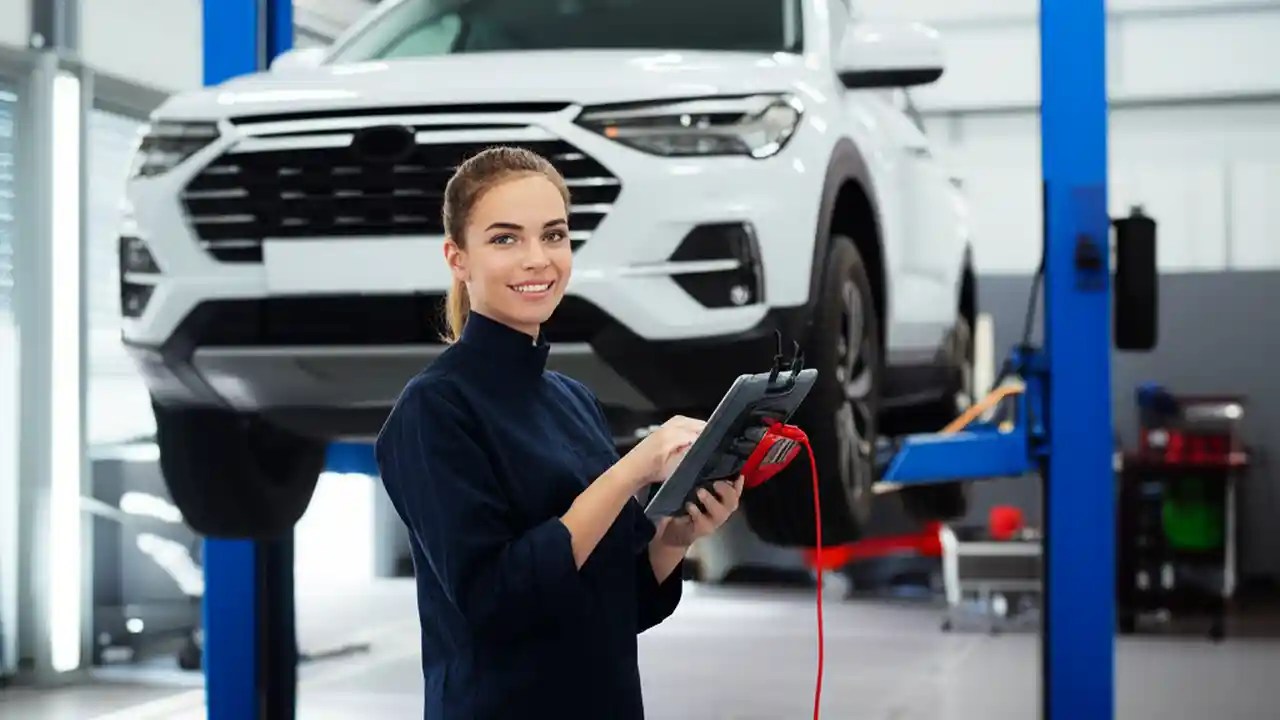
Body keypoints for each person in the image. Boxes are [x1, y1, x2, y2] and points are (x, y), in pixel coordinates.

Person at [374, 146, 746, 719]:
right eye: (505, 239)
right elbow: (494, 601)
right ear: (458, 259)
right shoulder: (434, 410)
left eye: (553, 235)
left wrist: (675, 537)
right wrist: (631, 472)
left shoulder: (573, 401)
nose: (536, 259)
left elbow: (621, 602)